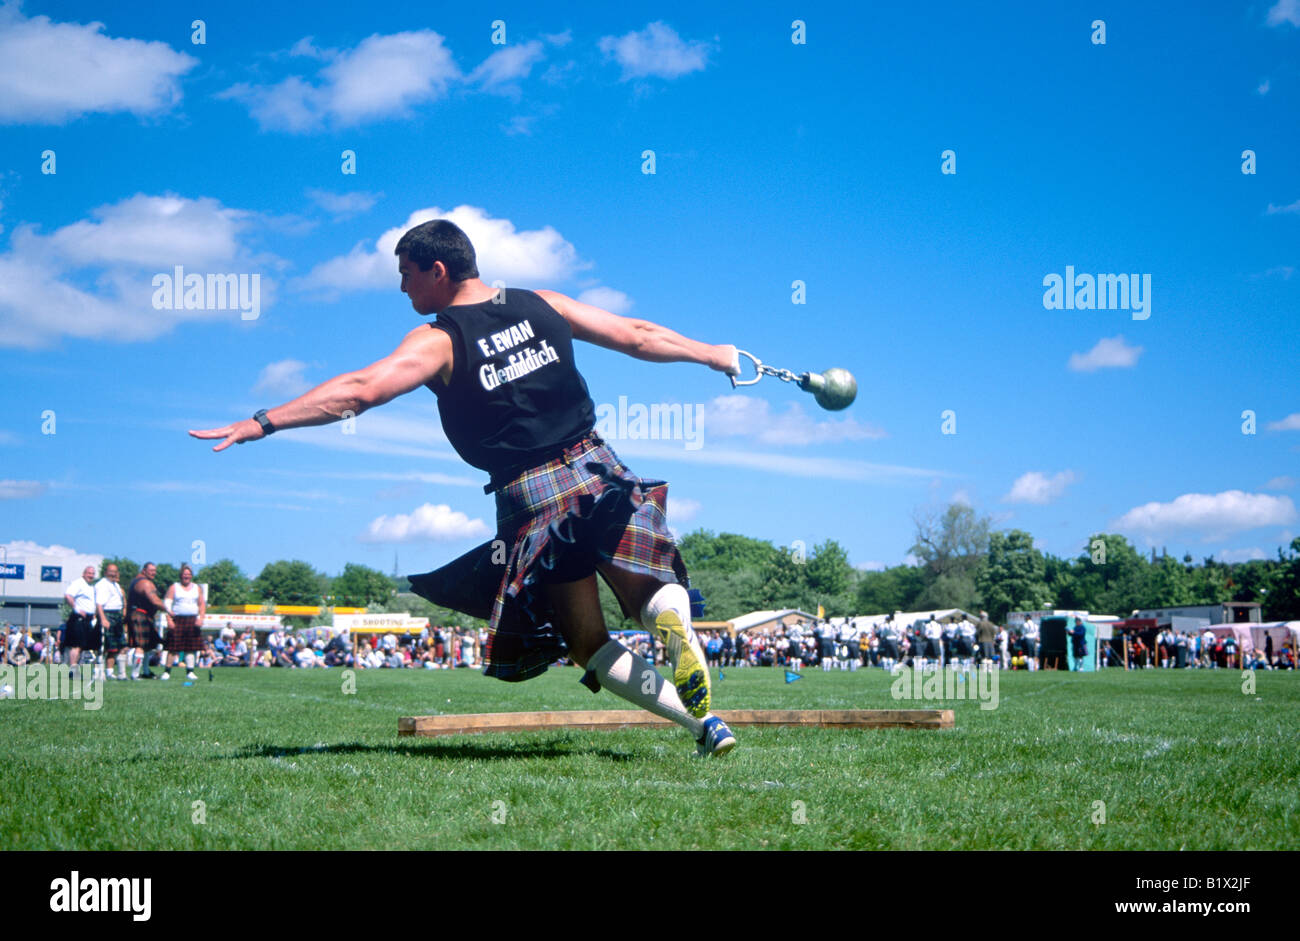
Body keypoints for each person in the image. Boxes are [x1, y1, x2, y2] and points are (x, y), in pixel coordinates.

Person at [191, 219, 741, 756]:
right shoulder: (543, 302)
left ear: (438, 270)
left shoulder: (439, 340)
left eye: (406, 273)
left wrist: (264, 421)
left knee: (588, 643)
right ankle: (670, 625)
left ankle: (702, 724)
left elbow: (359, 392)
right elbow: (638, 336)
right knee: (647, 587)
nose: (401, 286)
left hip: (530, 497)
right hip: (597, 464)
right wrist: (714, 354)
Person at [125, 563, 174, 679]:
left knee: (147, 646)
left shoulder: (136, 581)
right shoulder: (145, 583)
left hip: (142, 615)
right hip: (139, 615)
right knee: (140, 645)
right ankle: (135, 674)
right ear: (144, 570)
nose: (154, 573)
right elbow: (155, 600)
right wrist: (168, 610)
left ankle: (146, 672)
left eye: (155, 571)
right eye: (151, 570)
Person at [161, 564, 205, 681]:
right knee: (173, 647)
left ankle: (190, 672)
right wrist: (169, 619)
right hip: (177, 619)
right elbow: (167, 604)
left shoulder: (197, 588)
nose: (186, 576)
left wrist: (201, 618)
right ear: (181, 575)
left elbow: (201, 604)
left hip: (192, 620)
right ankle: (167, 672)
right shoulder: (174, 587)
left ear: (191, 576)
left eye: (189, 574)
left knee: (190, 648)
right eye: (184, 574)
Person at [62, 565, 98, 681]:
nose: (91, 575)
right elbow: (68, 595)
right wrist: (77, 609)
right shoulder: (78, 583)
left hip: (88, 619)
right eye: (89, 573)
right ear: (83, 574)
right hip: (78, 618)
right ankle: (72, 671)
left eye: (93, 574)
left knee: (82, 646)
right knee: (76, 645)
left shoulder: (90, 587)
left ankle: (75, 669)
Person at [94, 563, 127, 680]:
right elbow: (99, 604)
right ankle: (99, 672)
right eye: (111, 571)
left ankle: (112, 672)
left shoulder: (116, 585)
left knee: (118, 646)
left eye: (115, 571)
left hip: (116, 616)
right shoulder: (102, 585)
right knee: (104, 646)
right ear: (106, 572)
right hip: (107, 615)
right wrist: (103, 619)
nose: (113, 574)